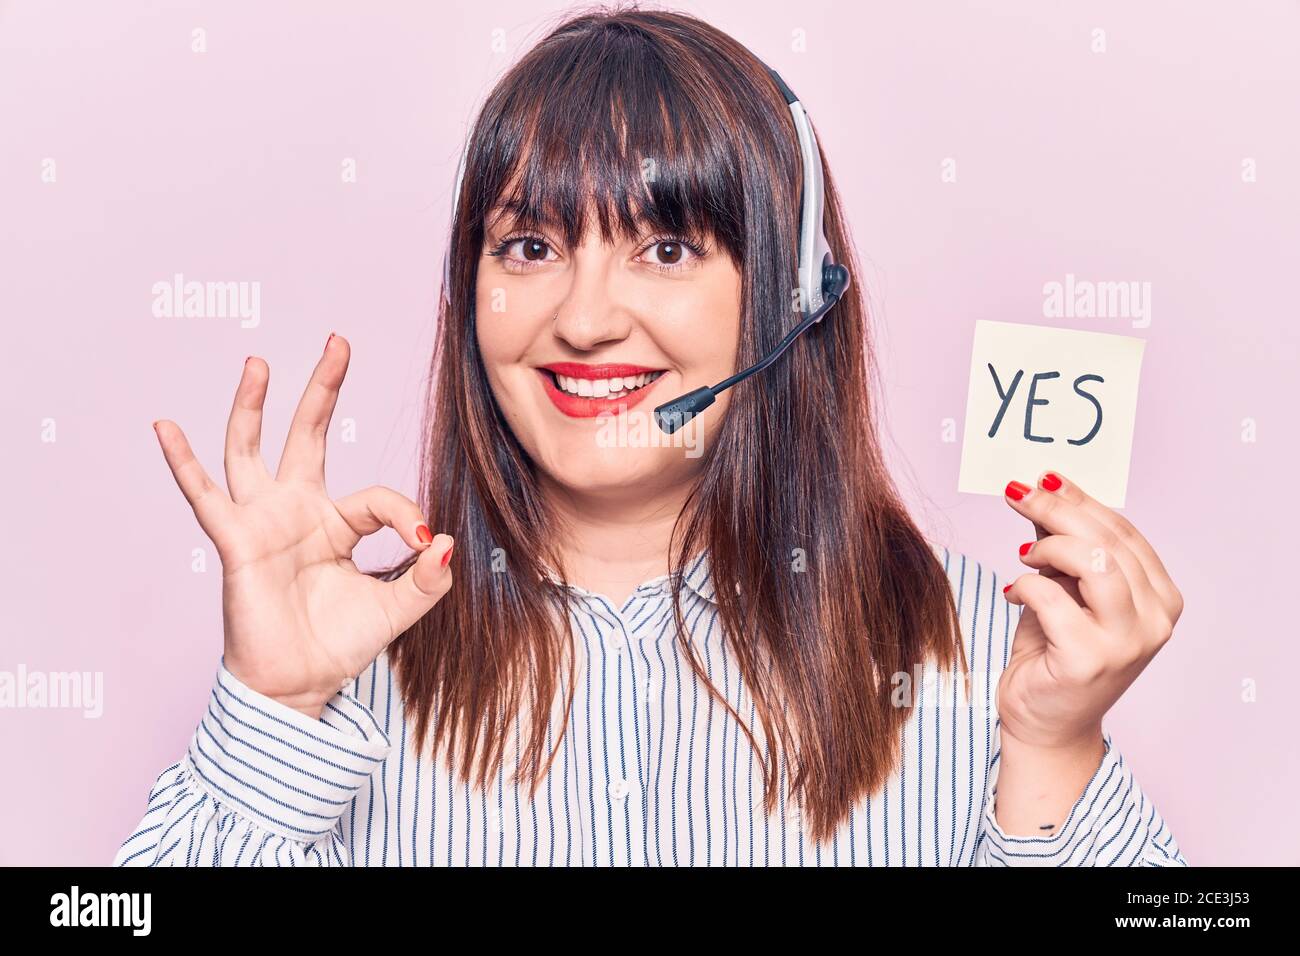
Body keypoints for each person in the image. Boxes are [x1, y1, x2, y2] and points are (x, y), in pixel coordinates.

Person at [114, 8, 1186, 867]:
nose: (583, 317)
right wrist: (271, 709)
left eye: (665, 247)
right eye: (529, 245)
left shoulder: (978, 648)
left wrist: (1052, 751)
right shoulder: (343, 657)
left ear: (787, 297)